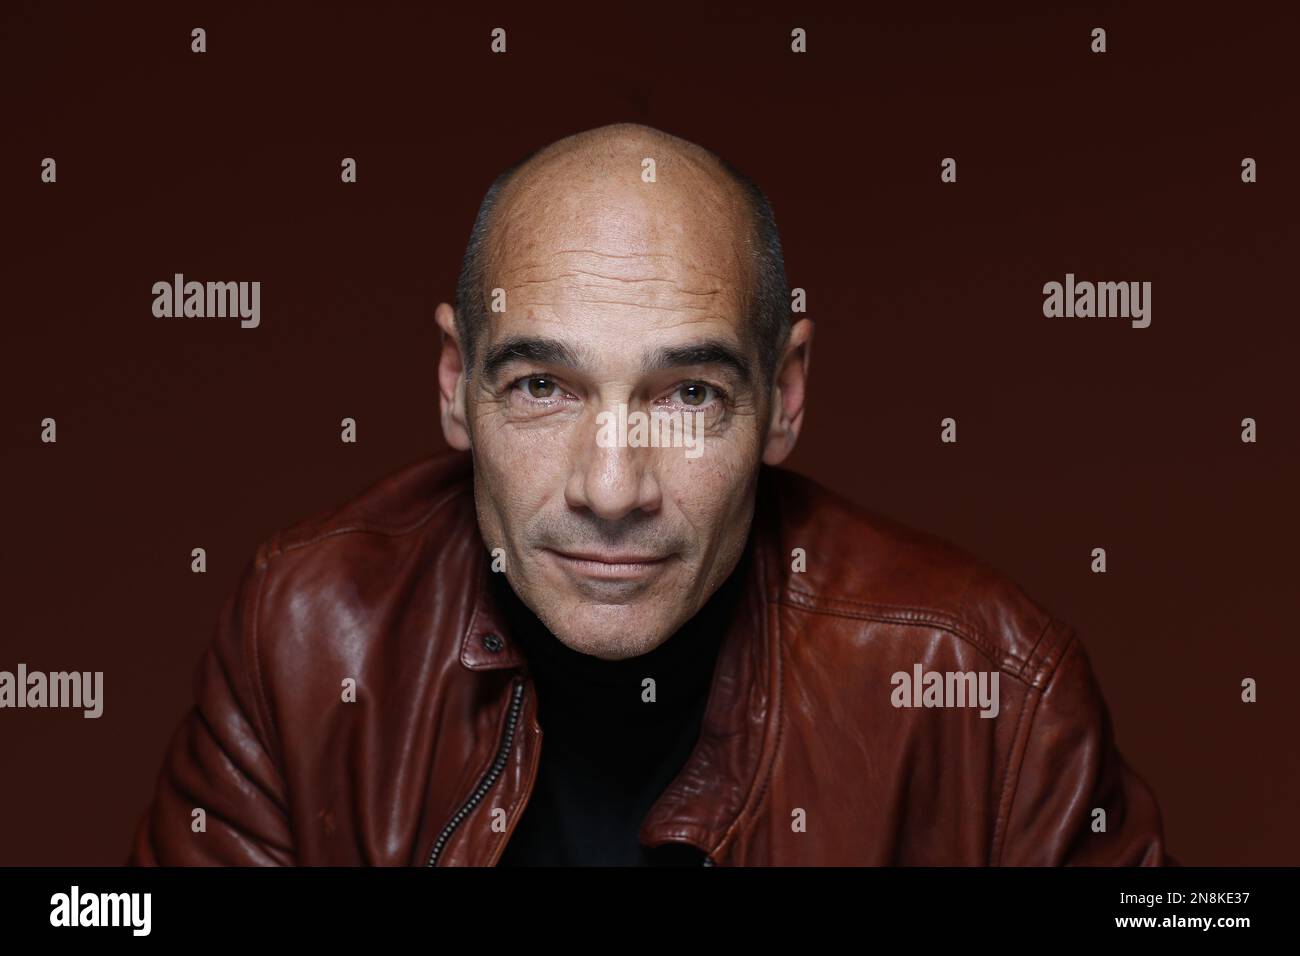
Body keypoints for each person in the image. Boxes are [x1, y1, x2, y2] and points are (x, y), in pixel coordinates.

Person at [128, 122, 1169, 866]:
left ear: (785, 396)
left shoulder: (988, 696)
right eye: (543, 386)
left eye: (687, 394)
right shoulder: (306, 635)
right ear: (456, 386)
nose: (611, 486)